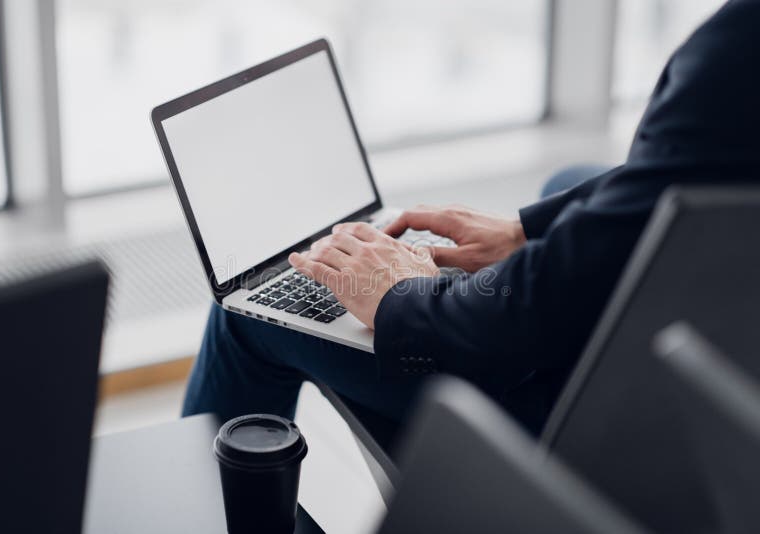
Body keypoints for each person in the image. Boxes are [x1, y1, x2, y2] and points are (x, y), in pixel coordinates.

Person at [183, 0, 760, 438]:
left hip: (603, 417)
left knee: (246, 316)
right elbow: (689, 172)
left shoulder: (737, 53)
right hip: (724, 323)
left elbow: (522, 317)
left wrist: (400, 297)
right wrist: (526, 233)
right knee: (569, 182)